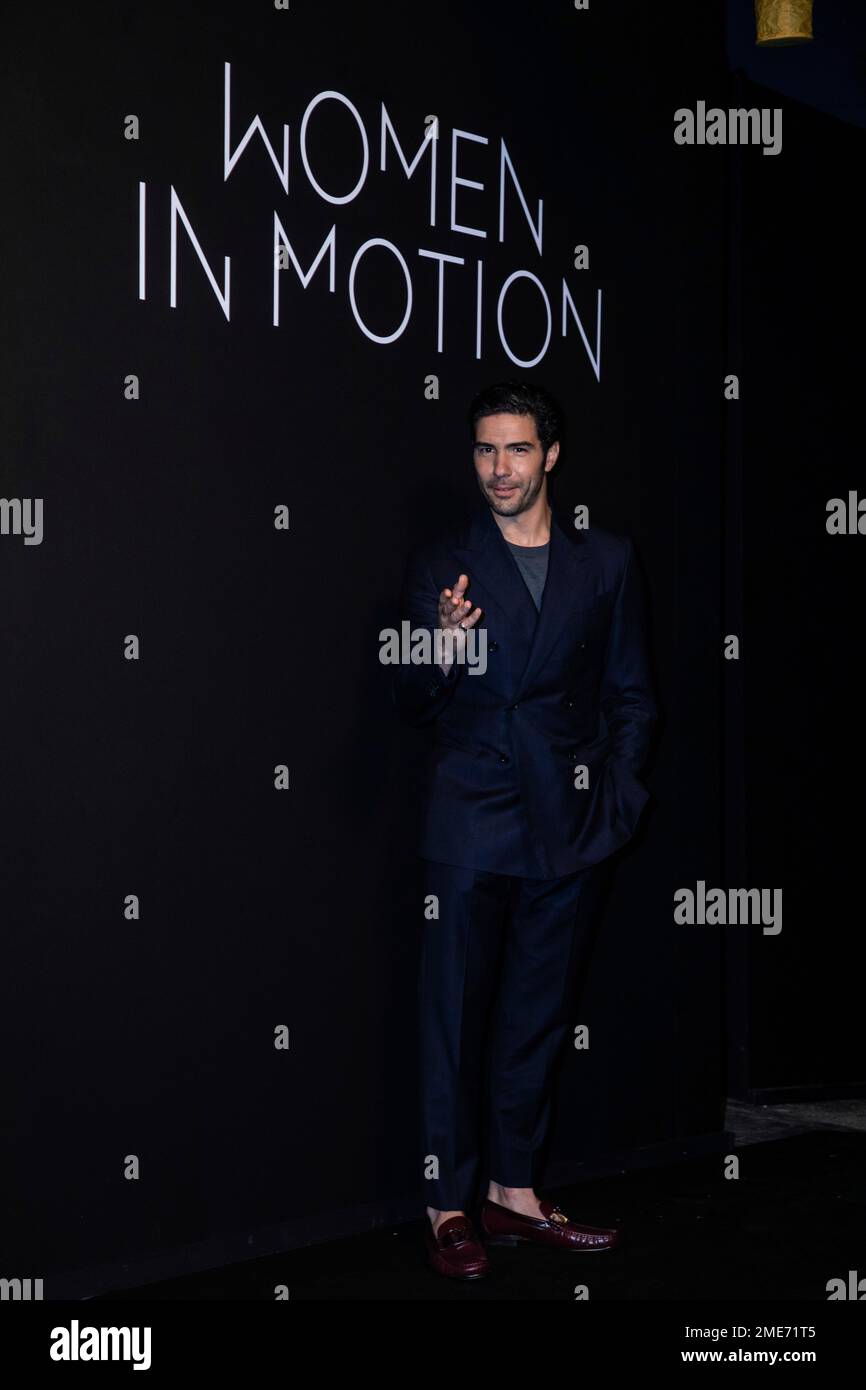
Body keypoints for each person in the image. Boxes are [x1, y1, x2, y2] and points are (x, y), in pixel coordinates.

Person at [393, 380, 657, 1280]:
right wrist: (442, 646)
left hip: (571, 820)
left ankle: (513, 1193)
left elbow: (630, 693)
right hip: (470, 814)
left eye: (514, 449)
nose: (497, 469)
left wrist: (616, 794)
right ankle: (445, 1204)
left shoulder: (606, 560)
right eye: (483, 450)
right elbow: (411, 700)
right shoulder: (445, 562)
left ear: (550, 456)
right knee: (452, 1019)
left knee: (537, 1018)